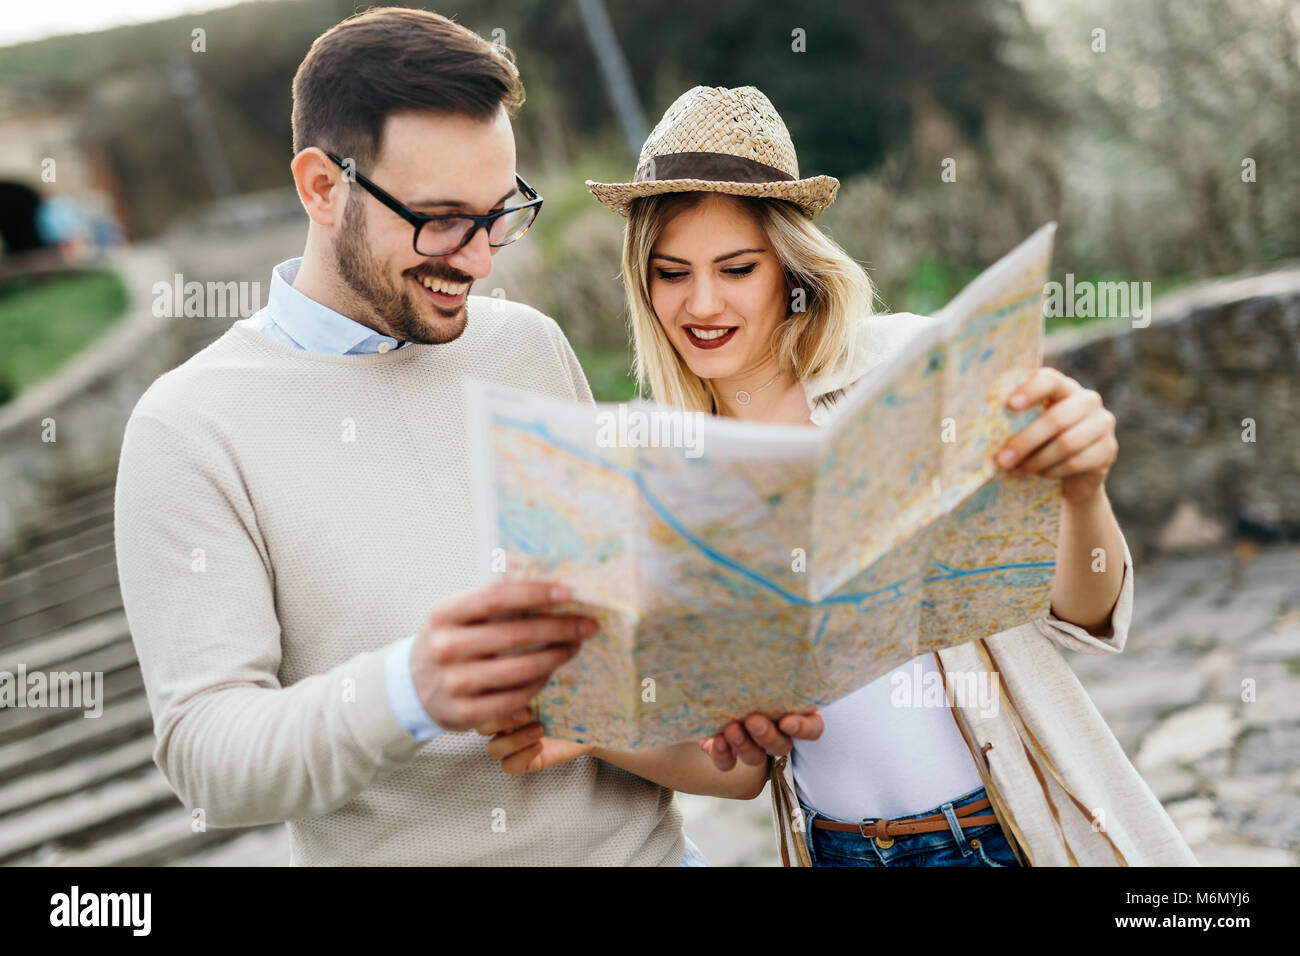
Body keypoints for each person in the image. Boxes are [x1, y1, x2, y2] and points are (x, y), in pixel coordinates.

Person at [484, 85, 1200, 867]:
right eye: (671, 272)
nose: (701, 303)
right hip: (836, 850)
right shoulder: (669, 470)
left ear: (787, 266)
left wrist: (1082, 491)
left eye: (735, 268)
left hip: (998, 833)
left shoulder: (905, 366)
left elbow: (1085, 612)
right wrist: (585, 729)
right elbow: (742, 773)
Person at [116, 7, 707, 866]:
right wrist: (414, 688)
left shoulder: (528, 345)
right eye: (439, 219)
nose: (478, 259)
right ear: (321, 188)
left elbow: (624, 621)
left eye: (499, 213)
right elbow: (209, 756)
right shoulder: (189, 430)